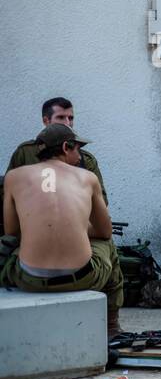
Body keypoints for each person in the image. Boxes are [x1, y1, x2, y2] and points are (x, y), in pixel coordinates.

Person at [0, 125, 124, 337]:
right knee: (108, 245)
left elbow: (12, 231)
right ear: (67, 147)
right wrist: (78, 226)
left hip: (29, 278)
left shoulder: (13, 177)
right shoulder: (87, 177)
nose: (80, 155)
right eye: (78, 148)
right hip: (83, 277)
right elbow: (105, 232)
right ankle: (112, 326)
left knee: (8, 249)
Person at [3, 97, 107, 234]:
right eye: (61, 117)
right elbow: (8, 197)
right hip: (30, 229)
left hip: (78, 229)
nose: (68, 123)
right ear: (46, 121)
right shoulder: (25, 153)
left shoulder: (84, 159)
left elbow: (101, 202)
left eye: (71, 118)